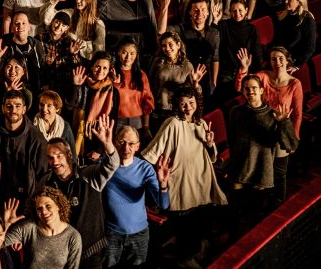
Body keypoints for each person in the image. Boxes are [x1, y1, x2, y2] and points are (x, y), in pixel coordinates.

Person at [140, 86, 227, 260]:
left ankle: (195, 252)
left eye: (191, 103)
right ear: (177, 106)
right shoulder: (172, 123)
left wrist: (210, 144)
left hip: (200, 182)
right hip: (181, 184)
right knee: (184, 224)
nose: (188, 107)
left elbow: (212, 158)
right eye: (183, 104)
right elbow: (151, 153)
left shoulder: (201, 123)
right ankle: (185, 257)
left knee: (197, 223)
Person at [42, 116, 119, 269]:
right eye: (51, 158)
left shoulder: (88, 175)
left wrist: (107, 144)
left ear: (70, 155)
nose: (55, 162)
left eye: (59, 156)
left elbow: (112, 164)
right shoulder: (47, 184)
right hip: (64, 254)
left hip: (91, 253)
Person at [235, 46, 303, 204]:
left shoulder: (295, 84)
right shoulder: (263, 77)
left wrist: (294, 138)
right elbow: (241, 87)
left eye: (280, 58)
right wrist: (244, 69)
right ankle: (263, 203)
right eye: (273, 59)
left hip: (280, 131)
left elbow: (297, 114)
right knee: (263, 170)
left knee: (279, 172)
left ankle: (279, 204)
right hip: (262, 130)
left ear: (287, 60)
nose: (277, 62)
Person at [102, 124, 170, 268]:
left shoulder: (145, 168)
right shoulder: (104, 166)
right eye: (122, 142)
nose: (126, 148)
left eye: (131, 143)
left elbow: (163, 205)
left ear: (138, 146)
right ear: (114, 142)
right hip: (112, 233)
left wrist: (163, 185)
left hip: (139, 234)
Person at [227, 74, 297, 202]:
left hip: (261, 168)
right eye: (246, 88)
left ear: (261, 90)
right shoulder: (235, 112)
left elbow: (290, 145)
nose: (250, 91)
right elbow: (232, 140)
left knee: (257, 205)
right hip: (240, 167)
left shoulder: (273, 114)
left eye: (254, 88)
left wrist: (284, 122)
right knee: (238, 205)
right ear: (243, 91)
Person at [0, 89, 48, 207]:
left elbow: (42, 176)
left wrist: (32, 203)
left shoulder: (37, 139)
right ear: (3, 108)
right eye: (9, 106)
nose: (13, 110)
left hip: (24, 201)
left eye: (17, 106)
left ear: (24, 109)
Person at [1, 187, 83, 269]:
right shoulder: (28, 228)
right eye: (39, 208)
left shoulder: (73, 236)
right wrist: (6, 224)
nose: (44, 211)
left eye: (48, 206)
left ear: (58, 206)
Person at [273, 0, 316, 69]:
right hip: (281, 55)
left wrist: (296, 65)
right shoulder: (284, 16)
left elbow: (310, 48)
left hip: (295, 59)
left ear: (299, 2)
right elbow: (278, 39)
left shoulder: (308, 20)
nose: (285, 1)